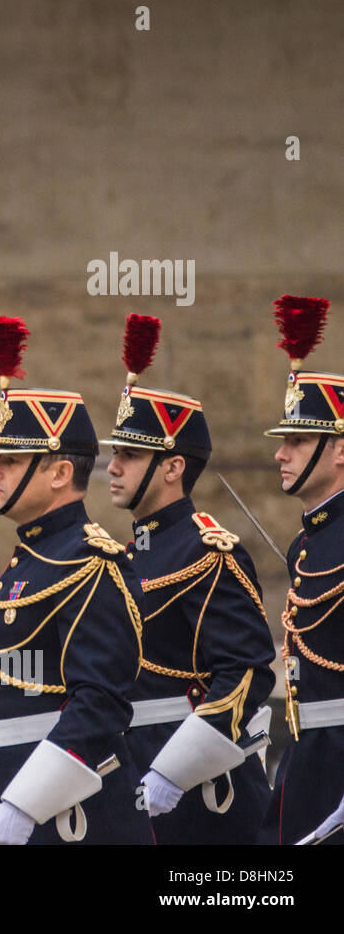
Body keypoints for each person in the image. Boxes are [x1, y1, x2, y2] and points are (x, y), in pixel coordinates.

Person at [0, 316, 154, 845]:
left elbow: (99, 699)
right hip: (4, 781)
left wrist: (23, 807)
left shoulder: (91, 562)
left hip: (62, 808)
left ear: (59, 473)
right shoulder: (32, 557)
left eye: (10, 459)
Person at [102, 314, 274, 844]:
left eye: (130, 455)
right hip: (135, 770)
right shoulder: (131, 554)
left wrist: (173, 771)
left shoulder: (208, 549)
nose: (112, 466)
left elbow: (246, 675)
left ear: (172, 467)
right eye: (115, 453)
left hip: (199, 787)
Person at [260, 295, 344, 845]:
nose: (280, 455)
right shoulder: (306, 544)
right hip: (306, 757)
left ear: (339, 451)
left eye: (298, 441)